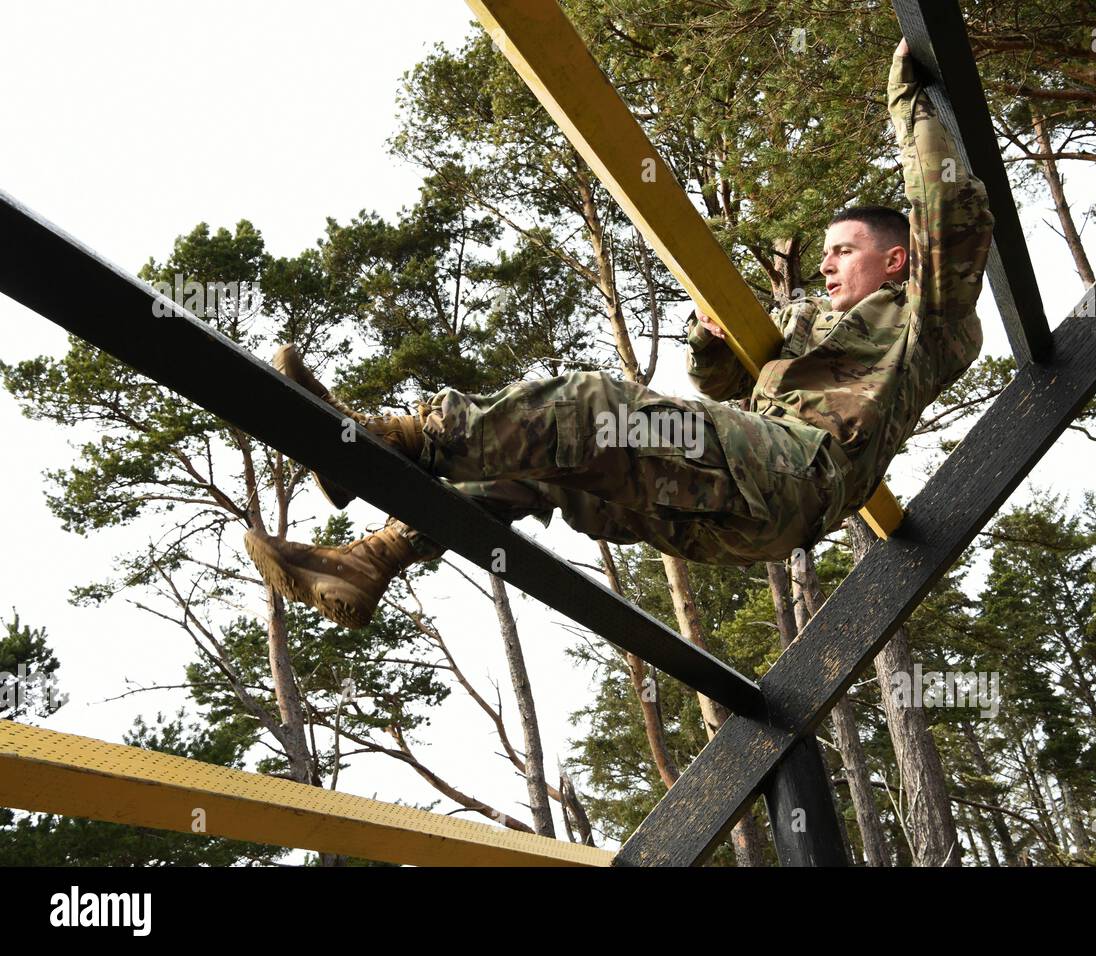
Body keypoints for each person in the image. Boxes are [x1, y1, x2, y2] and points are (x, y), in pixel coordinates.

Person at [243, 38, 994, 628]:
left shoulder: (925, 320)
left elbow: (949, 215)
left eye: (844, 251)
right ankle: (370, 561)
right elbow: (722, 390)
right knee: (542, 468)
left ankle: (383, 437)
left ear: (896, 259)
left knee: (585, 406)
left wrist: (911, 100)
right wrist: (713, 345)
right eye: (825, 253)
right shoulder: (807, 324)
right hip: (732, 516)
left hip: (797, 474)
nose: (826, 265)